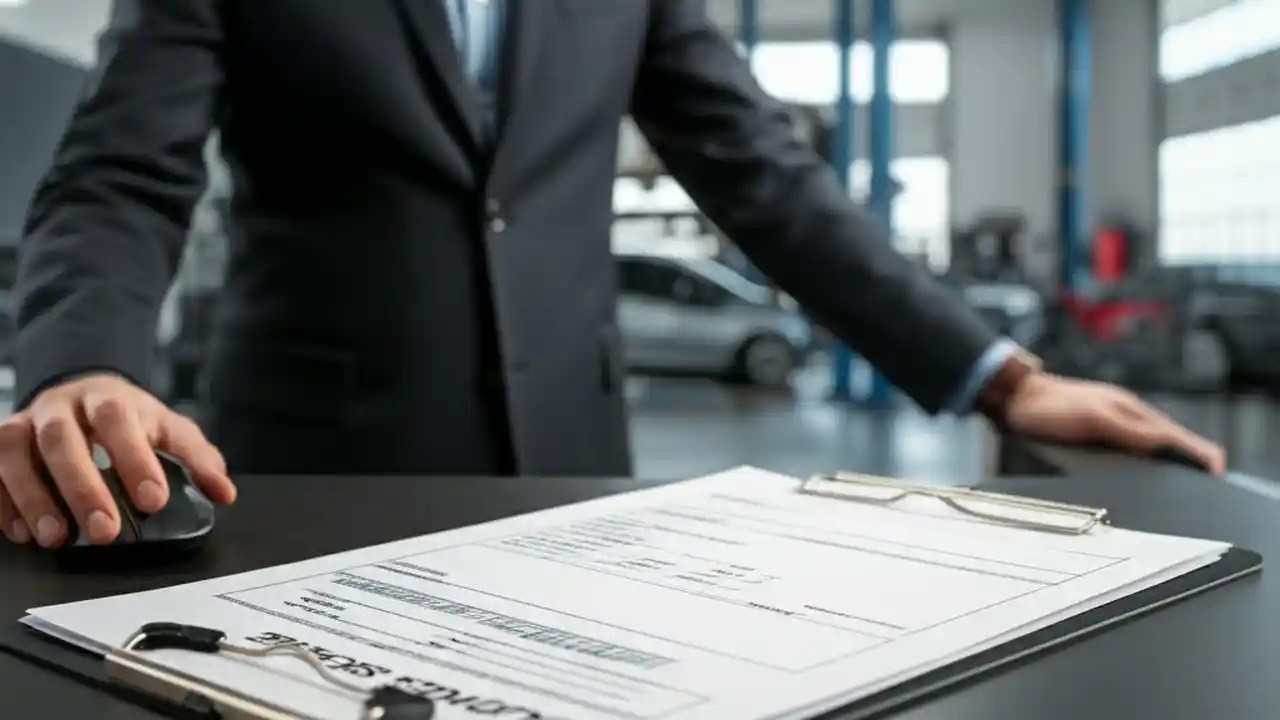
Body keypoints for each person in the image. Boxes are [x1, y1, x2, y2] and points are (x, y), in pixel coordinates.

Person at [0, 0, 1224, 550]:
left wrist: (996, 379)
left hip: (572, 468)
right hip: (316, 479)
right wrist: (86, 363)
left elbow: (764, 178)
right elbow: (119, 176)